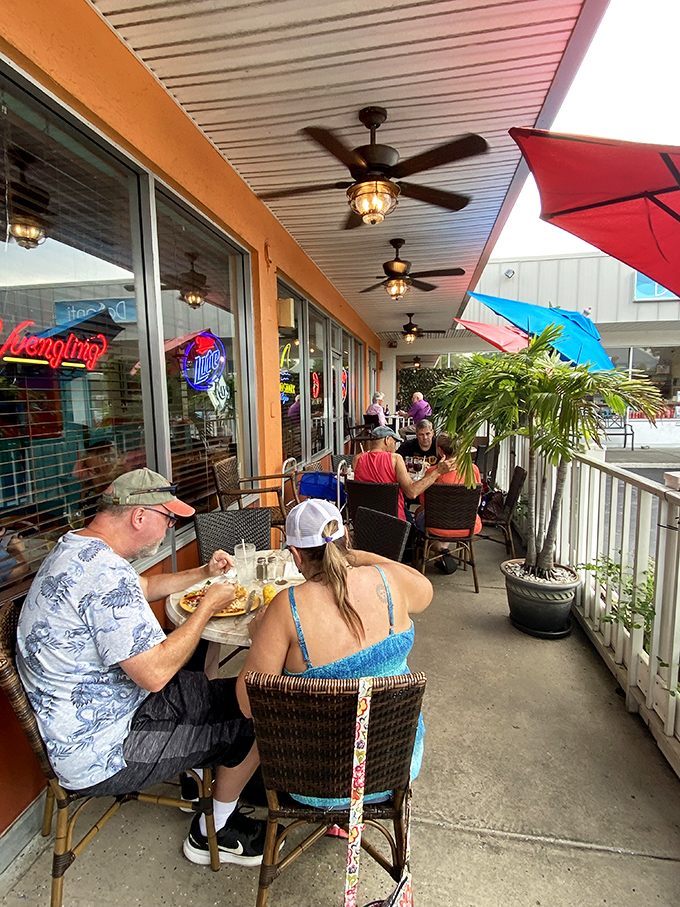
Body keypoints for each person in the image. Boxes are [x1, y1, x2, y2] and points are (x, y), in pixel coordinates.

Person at [17, 467, 266, 868]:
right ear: (139, 516)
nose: (169, 529)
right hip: (106, 749)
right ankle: (212, 833)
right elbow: (154, 674)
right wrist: (205, 609)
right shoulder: (103, 574)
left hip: (110, 712)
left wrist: (201, 574)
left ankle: (205, 783)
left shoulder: (76, 547)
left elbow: (142, 588)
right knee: (260, 717)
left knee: (241, 695)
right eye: (168, 520)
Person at [235, 498, 432, 808]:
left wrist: (258, 637)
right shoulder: (388, 581)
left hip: (313, 780)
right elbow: (424, 590)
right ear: (347, 539)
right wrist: (357, 557)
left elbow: (248, 705)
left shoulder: (287, 607)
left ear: (296, 556)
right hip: (394, 767)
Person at [352, 425, 455, 523]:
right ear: (387, 440)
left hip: (365, 520)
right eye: (395, 441)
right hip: (393, 521)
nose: (396, 446)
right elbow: (412, 492)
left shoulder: (357, 459)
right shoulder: (395, 458)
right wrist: (437, 472)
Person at [415, 432, 482, 574]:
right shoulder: (473, 469)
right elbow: (477, 501)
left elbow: (424, 503)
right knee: (442, 519)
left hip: (436, 526)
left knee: (418, 515)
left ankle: (440, 550)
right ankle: (443, 551)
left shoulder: (433, 472)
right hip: (467, 525)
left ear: (440, 450)